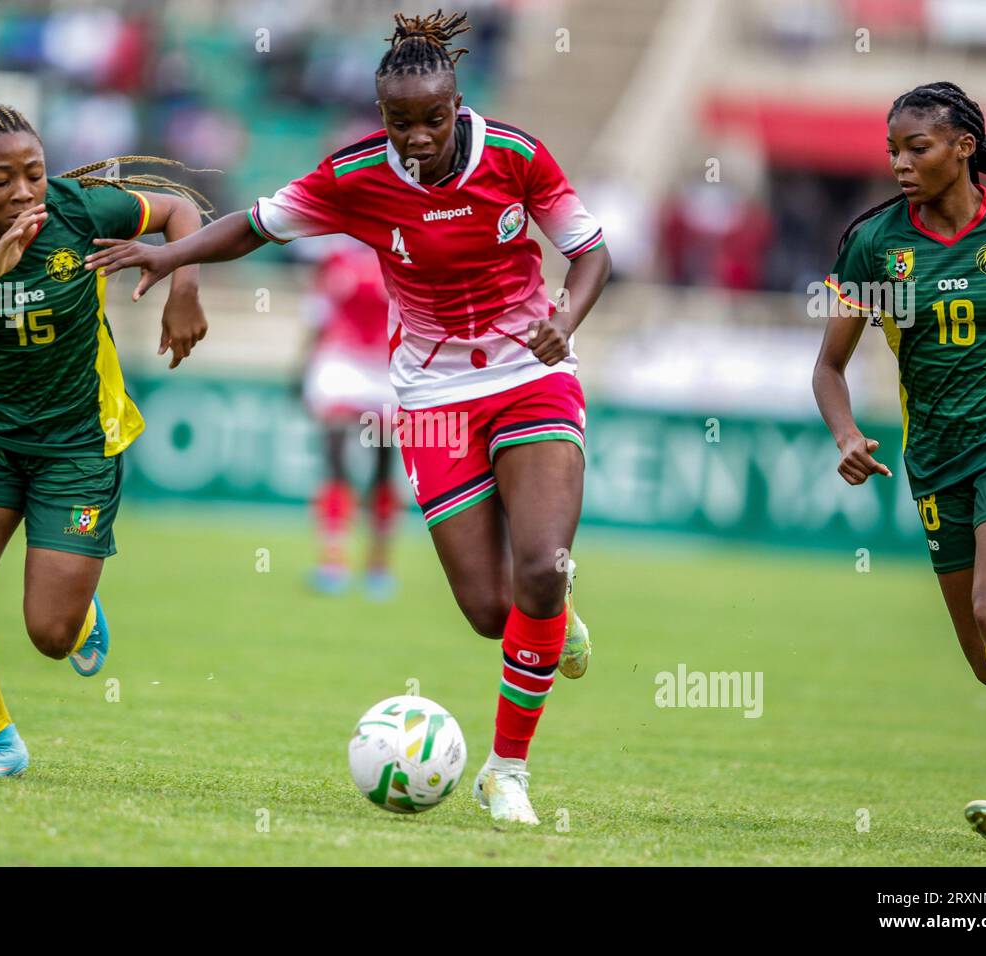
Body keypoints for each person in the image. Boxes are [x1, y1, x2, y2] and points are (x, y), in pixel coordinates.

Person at [86, 11, 611, 825]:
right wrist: (172, 254)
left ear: (458, 105)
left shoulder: (517, 156)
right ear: (381, 116)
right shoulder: (356, 175)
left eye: (433, 119)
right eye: (400, 122)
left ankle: (507, 771)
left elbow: (591, 252)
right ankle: (551, 617)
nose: (418, 137)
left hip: (532, 377)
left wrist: (565, 322)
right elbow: (254, 225)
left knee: (541, 566)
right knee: (488, 610)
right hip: (432, 402)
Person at [0, 105, 210, 777]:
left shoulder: (79, 209)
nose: (22, 193)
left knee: (50, 634)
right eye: (1, 180)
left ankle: (73, 598)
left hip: (77, 446)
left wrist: (184, 285)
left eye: (33, 174)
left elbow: (181, 211)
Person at [814, 82, 986, 854]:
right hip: (934, 462)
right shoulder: (877, 246)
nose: (899, 163)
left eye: (915, 147)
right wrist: (848, 433)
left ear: (963, 147)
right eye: (891, 149)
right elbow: (829, 368)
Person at [300, 238, 401, 598]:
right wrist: (302, 369)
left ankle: (378, 563)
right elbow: (319, 314)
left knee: (382, 470)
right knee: (336, 461)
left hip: (386, 371)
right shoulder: (334, 255)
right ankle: (333, 560)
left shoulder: (401, 251)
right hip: (340, 364)